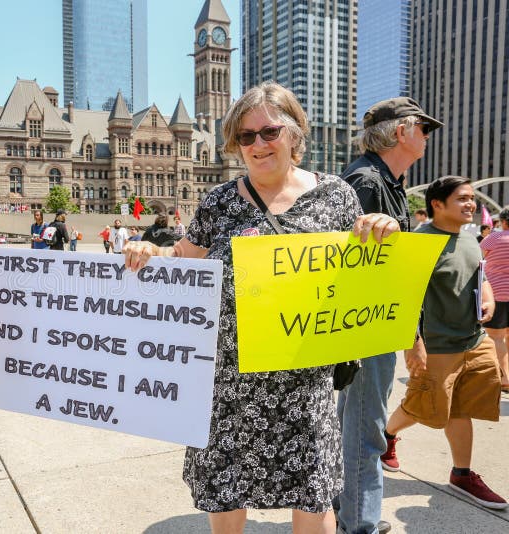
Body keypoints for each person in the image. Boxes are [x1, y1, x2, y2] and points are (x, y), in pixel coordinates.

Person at [122, 81, 398, 533]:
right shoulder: (219, 201)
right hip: (228, 380)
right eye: (245, 136)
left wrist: (382, 228)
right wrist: (151, 251)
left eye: (269, 132)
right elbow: (184, 256)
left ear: (294, 134)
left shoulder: (335, 195)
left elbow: (365, 271)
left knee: (312, 494)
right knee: (225, 489)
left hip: (304, 379)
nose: (257, 144)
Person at [335, 96, 441, 534]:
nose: (427, 137)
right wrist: (410, 337)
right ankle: (358, 524)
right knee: (366, 429)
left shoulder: (386, 182)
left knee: (355, 424)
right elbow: (359, 269)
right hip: (365, 330)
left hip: (372, 327)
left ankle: (347, 512)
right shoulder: (367, 181)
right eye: (423, 129)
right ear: (401, 131)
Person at [381, 177, 506, 510]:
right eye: (462, 198)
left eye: (472, 198)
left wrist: (489, 298)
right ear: (437, 204)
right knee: (423, 405)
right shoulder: (420, 243)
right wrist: (413, 342)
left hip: (474, 340)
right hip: (437, 346)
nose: (471, 204)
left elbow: (481, 275)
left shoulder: (469, 238)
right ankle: (386, 437)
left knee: (462, 408)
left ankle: (461, 474)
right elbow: (402, 297)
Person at [480, 208, 509, 392]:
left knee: (496, 337)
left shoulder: (494, 238)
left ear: (503, 221)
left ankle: (505, 378)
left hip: (497, 293)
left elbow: (477, 257)